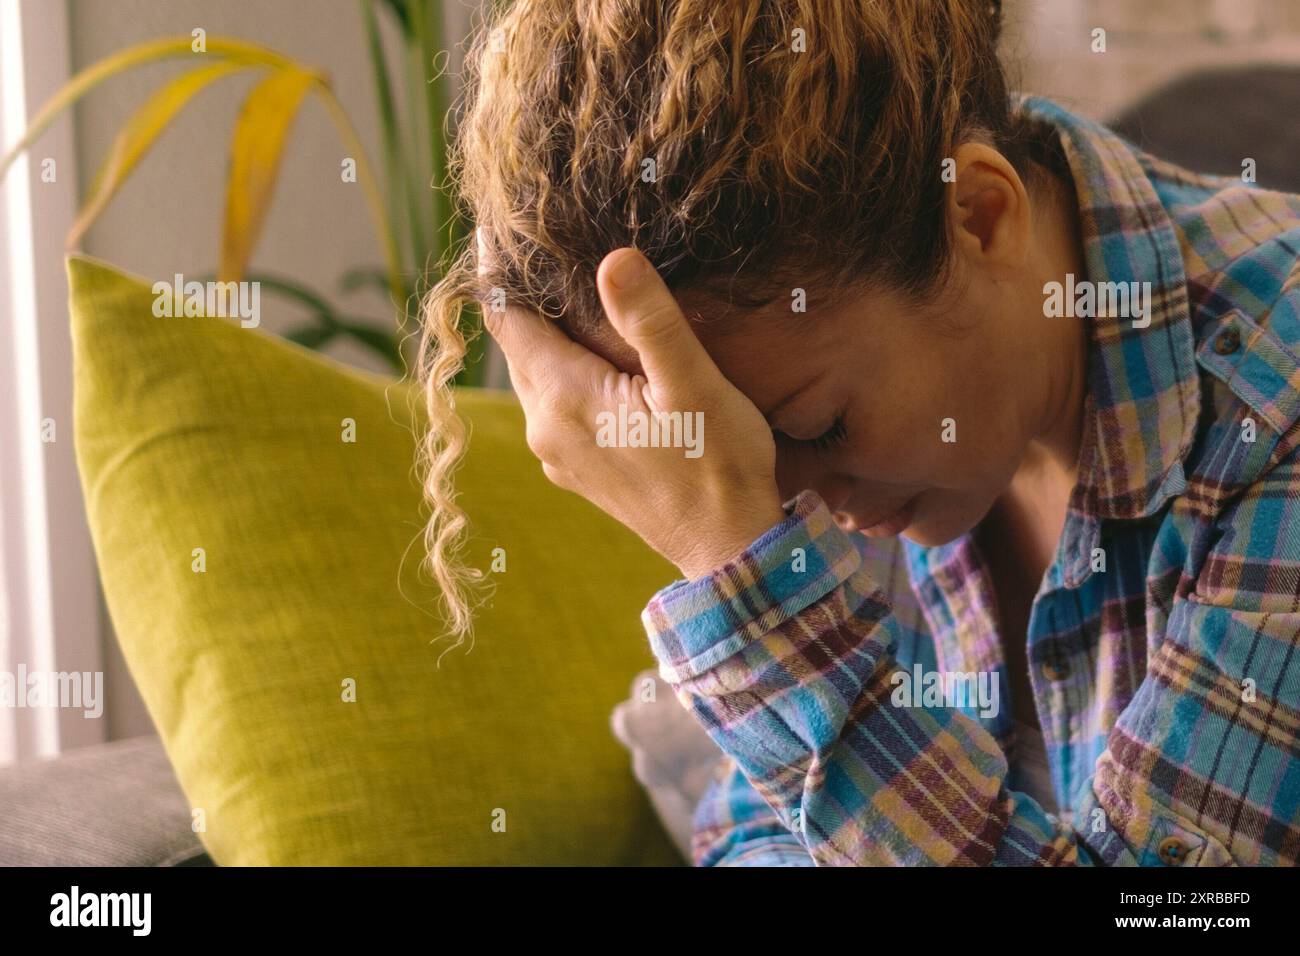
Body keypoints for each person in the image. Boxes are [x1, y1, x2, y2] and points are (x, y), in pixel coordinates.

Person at [418, 0, 1300, 865]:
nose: (790, 506)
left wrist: (736, 573)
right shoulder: (886, 416)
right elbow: (753, 831)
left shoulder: (1277, 407)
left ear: (980, 216)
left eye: (817, 426)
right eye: (736, 457)